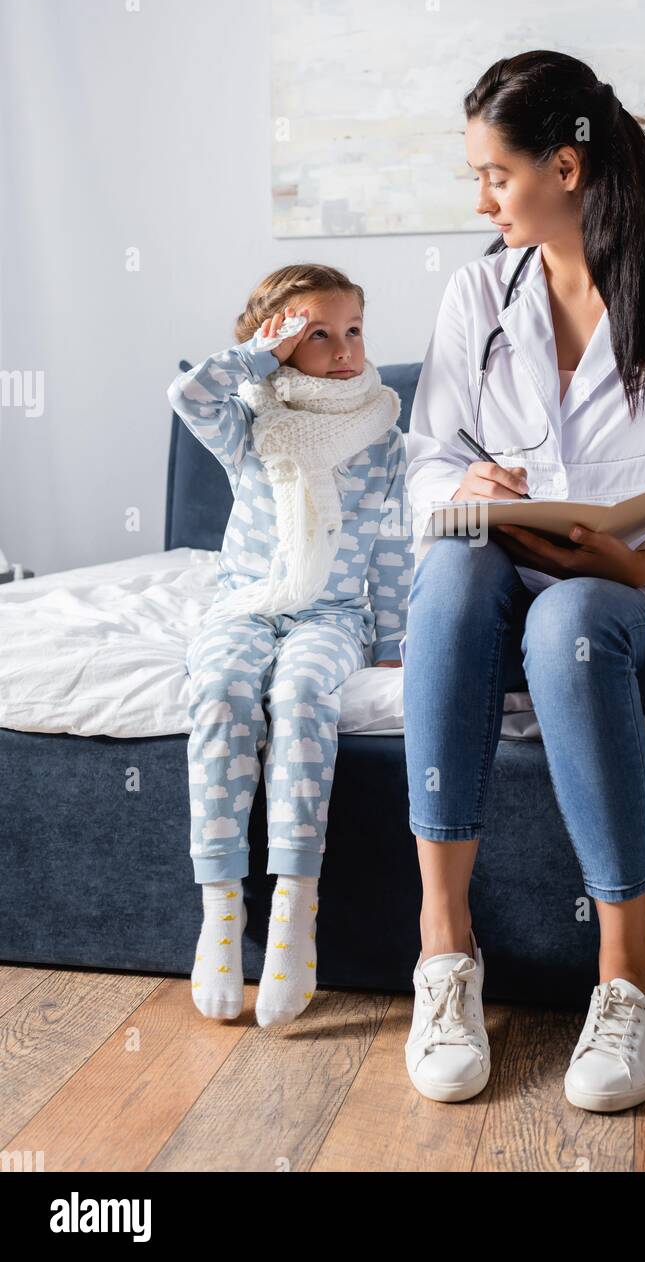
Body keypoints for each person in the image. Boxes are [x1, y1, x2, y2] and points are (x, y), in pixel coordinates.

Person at [401, 50, 645, 1110]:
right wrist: (462, 478)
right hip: (504, 574)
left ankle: (632, 976)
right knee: (452, 574)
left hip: (636, 595)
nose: (479, 198)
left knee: (573, 617)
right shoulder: (480, 290)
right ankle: (444, 952)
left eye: (495, 174)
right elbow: (425, 458)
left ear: (566, 167)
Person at [166, 264, 410, 1028]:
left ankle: (293, 915)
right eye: (317, 335)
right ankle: (221, 913)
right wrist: (256, 358)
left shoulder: (381, 434)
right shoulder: (249, 418)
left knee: (303, 696)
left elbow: (393, 549)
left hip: (331, 615)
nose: (343, 349)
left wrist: (396, 640)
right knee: (220, 691)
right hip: (247, 605)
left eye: (352, 330)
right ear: (275, 343)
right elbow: (187, 394)